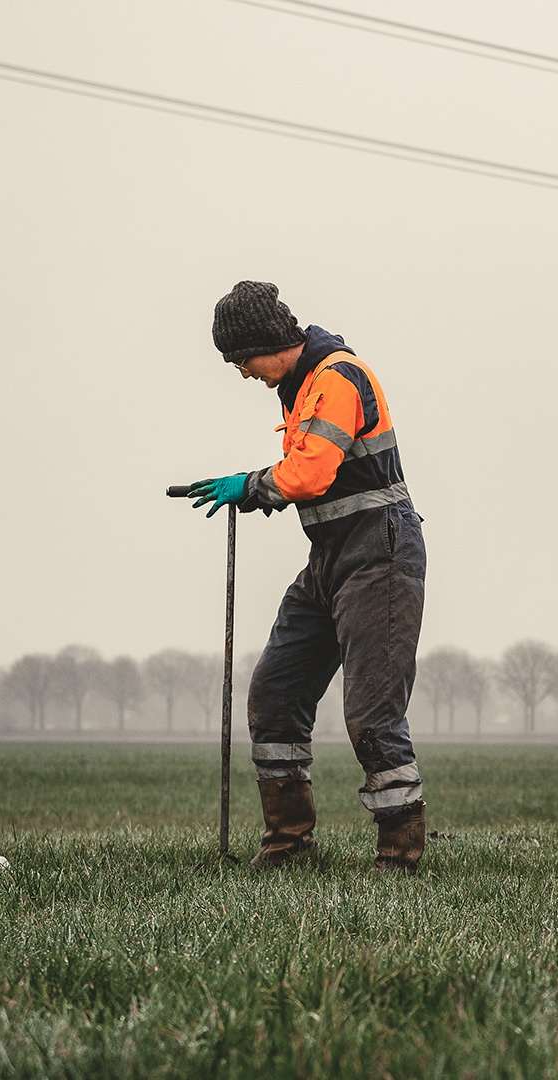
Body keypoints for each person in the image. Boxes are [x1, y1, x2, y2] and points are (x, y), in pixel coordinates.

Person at [181, 280, 427, 873]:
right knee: (275, 695)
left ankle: (399, 856)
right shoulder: (301, 388)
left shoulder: (338, 377)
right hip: (330, 559)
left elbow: (311, 473)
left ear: (267, 342)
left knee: (372, 713)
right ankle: (287, 845)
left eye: (242, 360)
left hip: (380, 555)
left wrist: (252, 485)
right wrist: (258, 486)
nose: (243, 373)